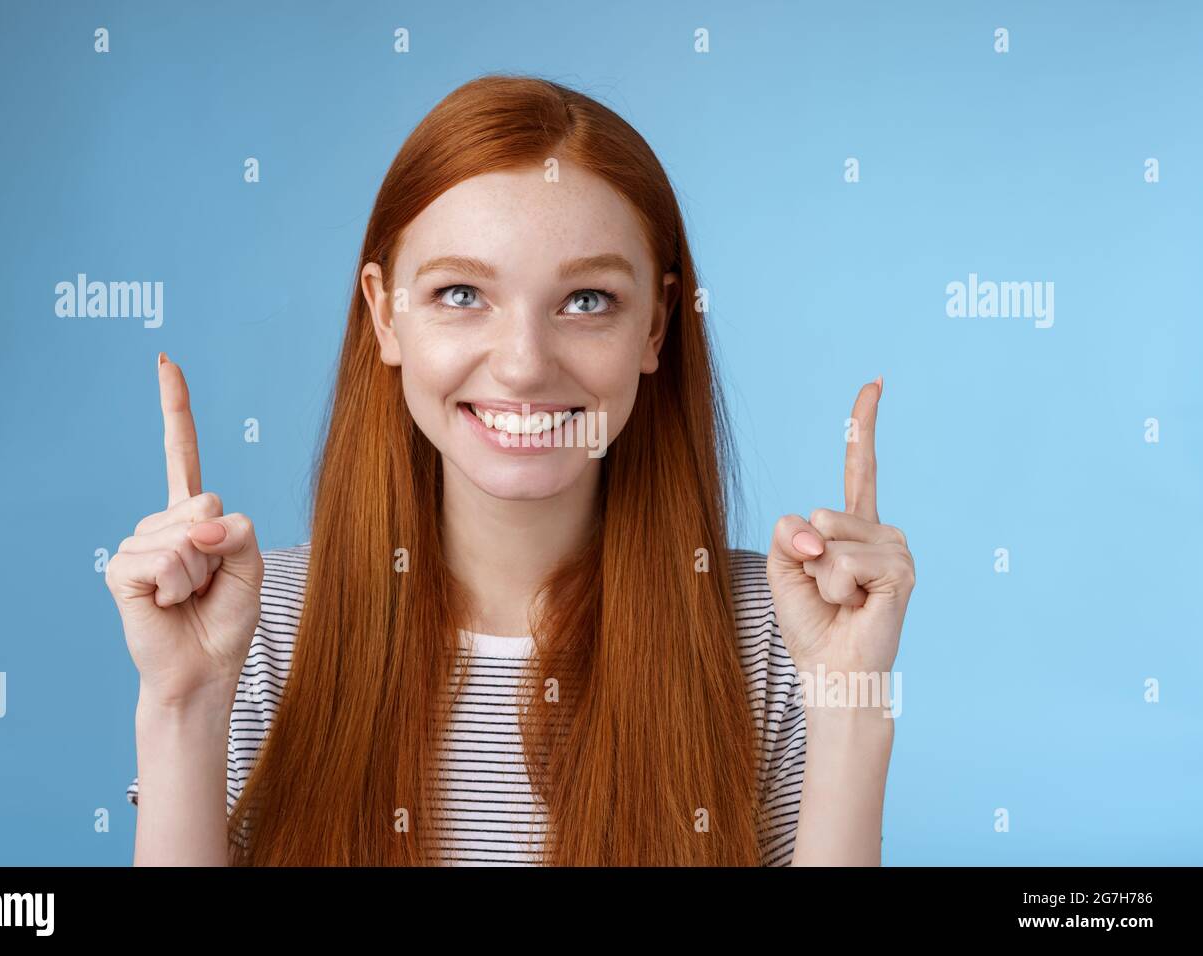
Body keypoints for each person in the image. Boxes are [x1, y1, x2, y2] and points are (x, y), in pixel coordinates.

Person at [106, 74, 915, 866]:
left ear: (656, 328)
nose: (524, 367)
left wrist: (850, 704)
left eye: (587, 300)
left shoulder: (776, 636)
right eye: (462, 293)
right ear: (386, 316)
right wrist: (183, 706)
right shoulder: (255, 631)